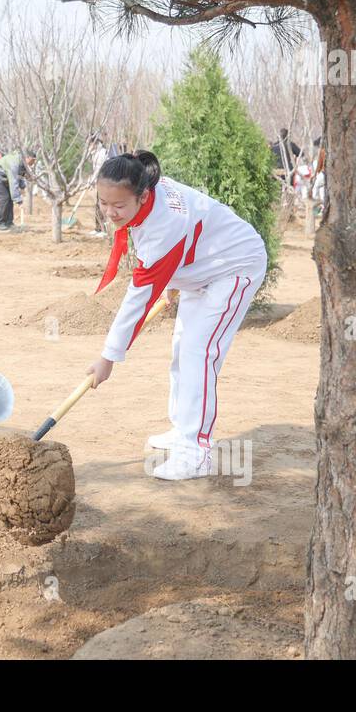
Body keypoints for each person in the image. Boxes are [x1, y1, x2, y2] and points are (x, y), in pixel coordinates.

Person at [86, 151, 268, 481]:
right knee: (183, 347)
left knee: (200, 352)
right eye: (103, 203)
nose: (110, 213)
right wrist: (171, 278)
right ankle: (183, 428)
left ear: (142, 197)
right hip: (201, 269)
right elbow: (179, 244)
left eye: (118, 206)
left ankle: (195, 452)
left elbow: (137, 300)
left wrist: (108, 357)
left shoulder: (163, 223)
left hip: (235, 266)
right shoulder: (148, 193)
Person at [0, 149, 36, 231]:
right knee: (4, 198)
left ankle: (9, 222)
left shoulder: (22, 161)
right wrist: (19, 200)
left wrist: (23, 186)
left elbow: (20, 175)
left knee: (9, 198)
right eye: (32, 160)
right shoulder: (14, 163)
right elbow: (13, 181)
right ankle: (0, 223)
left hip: (5, 177)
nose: (33, 163)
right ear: (27, 158)